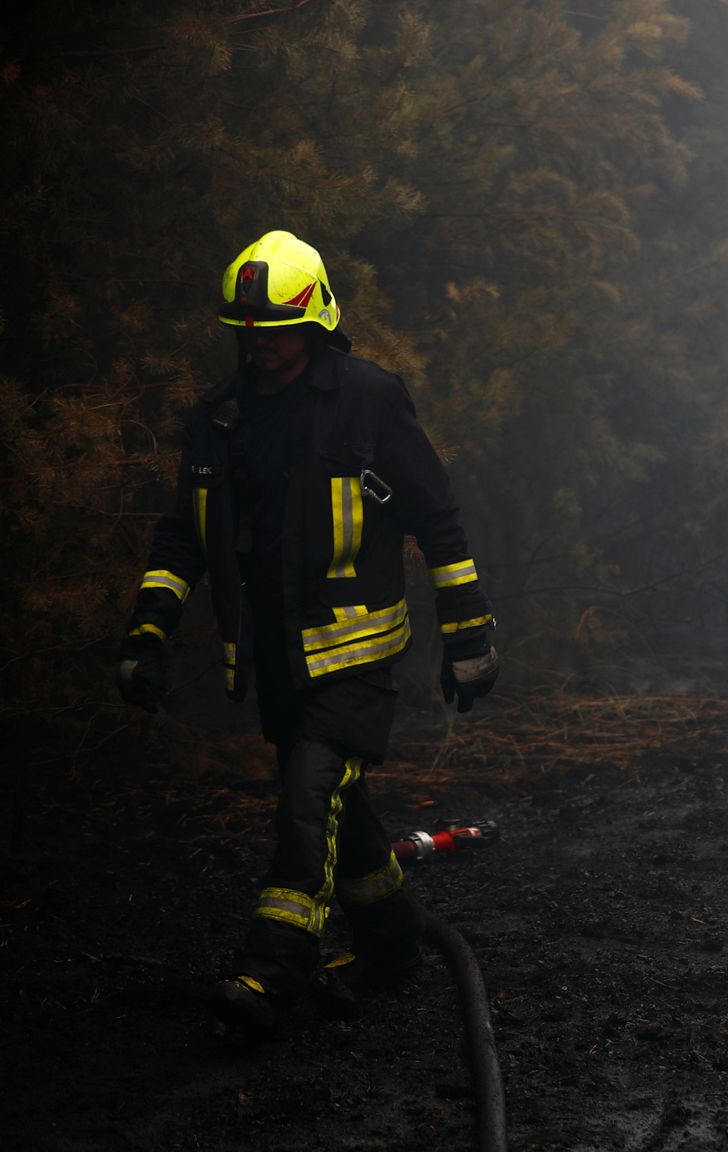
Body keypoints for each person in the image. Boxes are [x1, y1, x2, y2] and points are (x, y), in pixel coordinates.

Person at [116, 231, 501, 1041]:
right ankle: (392, 948)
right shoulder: (221, 419)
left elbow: (435, 517)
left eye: (277, 330)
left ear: (317, 317)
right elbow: (184, 536)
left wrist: (468, 636)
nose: (261, 347)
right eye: (247, 332)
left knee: (307, 795)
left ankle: (272, 968)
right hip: (275, 658)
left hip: (356, 651)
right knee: (339, 807)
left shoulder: (367, 398)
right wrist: (148, 632)